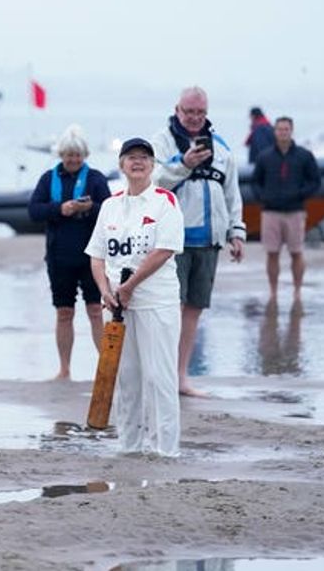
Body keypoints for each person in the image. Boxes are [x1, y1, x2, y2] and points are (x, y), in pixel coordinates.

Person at [86, 137, 184, 457]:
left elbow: (164, 251)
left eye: (144, 157)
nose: (137, 162)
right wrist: (106, 290)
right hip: (118, 306)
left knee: (159, 378)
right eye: (131, 157)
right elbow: (97, 256)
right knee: (127, 379)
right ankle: (129, 445)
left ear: (153, 166)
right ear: (121, 165)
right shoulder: (111, 205)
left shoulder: (164, 201)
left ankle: (164, 449)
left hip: (157, 302)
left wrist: (129, 286)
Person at [152, 86, 246, 397]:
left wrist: (237, 231)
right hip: (172, 240)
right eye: (188, 112)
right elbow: (152, 182)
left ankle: (181, 377)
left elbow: (232, 193)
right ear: (177, 110)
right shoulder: (161, 142)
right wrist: (184, 163)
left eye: (200, 113)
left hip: (209, 240)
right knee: (169, 310)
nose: (194, 118)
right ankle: (160, 375)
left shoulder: (220, 147)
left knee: (194, 309)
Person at [27, 124, 111, 379]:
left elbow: (109, 211)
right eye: (68, 155)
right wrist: (59, 209)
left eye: (77, 155)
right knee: (64, 313)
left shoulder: (96, 178)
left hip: (91, 258)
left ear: (84, 155)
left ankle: (105, 368)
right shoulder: (47, 178)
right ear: (61, 155)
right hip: (59, 257)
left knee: (96, 310)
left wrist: (87, 208)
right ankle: (64, 369)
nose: (73, 160)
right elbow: (33, 211)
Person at [251, 116, 320, 302]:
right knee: (272, 252)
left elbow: (315, 181)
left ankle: (297, 290)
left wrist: (300, 194)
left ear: (291, 130)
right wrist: (262, 196)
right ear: (275, 132)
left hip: (295, 211)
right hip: (271, 211)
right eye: (279, 129)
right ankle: (273, 290)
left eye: (286, 129)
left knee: (296, 252)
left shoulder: (304, 156)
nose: (283, 132)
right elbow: (255, 181)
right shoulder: (264, 157)